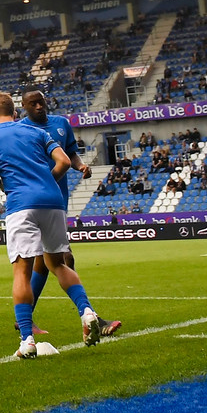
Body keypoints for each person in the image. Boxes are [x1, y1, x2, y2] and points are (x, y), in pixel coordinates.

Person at [0, 92, 103, 360]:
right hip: (53, 201)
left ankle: (27, 340)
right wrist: (47, 181)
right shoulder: (35, 131)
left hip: (22, 204)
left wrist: (6, 187)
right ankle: (87, 312)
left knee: (22, 272)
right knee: (58, 264)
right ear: (14, 110)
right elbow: (65, 162)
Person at [20, 90, 122, 337]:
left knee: (45, 264)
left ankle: (25, 319)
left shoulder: (60, 123)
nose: (38, 107)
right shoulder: (21, 129)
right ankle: (90, 316)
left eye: (41, 102)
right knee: (63, 259)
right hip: (37, 202)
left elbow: (70, 153)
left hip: (56, 202)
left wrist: (80, 166)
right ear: (24, 107)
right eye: (32, 104)